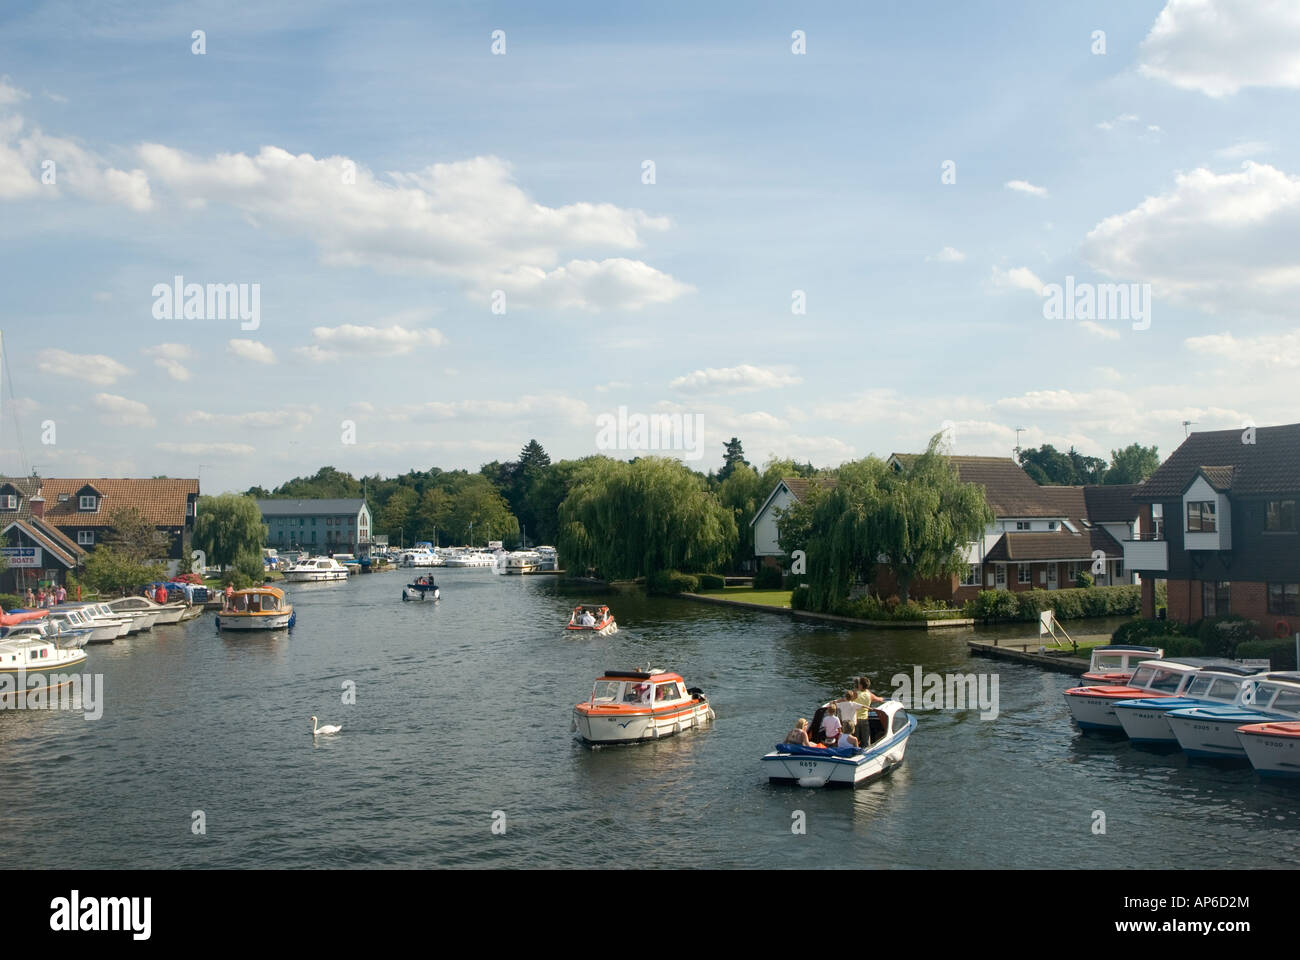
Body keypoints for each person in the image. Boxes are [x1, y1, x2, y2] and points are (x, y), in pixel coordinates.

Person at [853, 677, 885, 745]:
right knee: (866, 737)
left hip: (855, 719)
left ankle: (855, 749)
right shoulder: (869, 694)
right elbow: (878, 699)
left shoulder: (855, 694)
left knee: (856, 737)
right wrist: (882, 698)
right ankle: (867, 749)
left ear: (860, 685)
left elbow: (846, 700)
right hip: (864, 719)